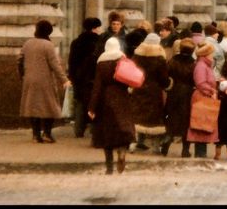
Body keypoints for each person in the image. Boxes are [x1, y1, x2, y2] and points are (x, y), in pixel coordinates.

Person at [88, 36, 135, 174]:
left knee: (107, 133)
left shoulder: (101, 63)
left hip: (106, 98)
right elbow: (129, 79)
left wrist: (92, 107)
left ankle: (109, 167)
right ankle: (122, 151)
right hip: (122, 96)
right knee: (123, 128)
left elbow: (97, 86)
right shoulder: (122, 59)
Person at [19, 19, 71, 143]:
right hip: (45, 81)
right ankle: (47, 133)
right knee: (50, 106)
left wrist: (23, 76)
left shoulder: (28, 43)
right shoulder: (48, 45)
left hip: (29, 80)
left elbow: (20, 61)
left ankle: (36, 135)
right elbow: (55, 65)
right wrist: (64, 80)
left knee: (33, 106)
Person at [130, 33, 173, 155]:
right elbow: (164, 78)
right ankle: (155, 147)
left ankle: (133, 143)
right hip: (154, 92)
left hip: (138, 88)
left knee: (137, 116)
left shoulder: (137, 55)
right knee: (154, 120)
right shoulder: (159, 58)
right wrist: (169, 84)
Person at [67, 16, 102, 138]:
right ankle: (93, 129)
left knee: (80, 102)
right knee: (95, 102)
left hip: (79, 77)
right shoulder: (99, 42)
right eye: (98, 27)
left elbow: (71, 61)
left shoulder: (76, 42)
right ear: (94, 28)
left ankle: (79, 130)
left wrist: (71, 76)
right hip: (94, 76)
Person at [165, 38, 196, 157]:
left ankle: (168, 139)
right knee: (186, 121)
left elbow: (166, 74)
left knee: (171, 118)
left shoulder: (172, 61)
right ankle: (185, 149)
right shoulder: (193, 64)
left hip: (173, 92)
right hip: (188, 94)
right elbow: (195, 79)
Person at [187, 42, 219, 158]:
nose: (213, 55)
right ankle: (200, 153)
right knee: (201, 125)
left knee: (205, 124)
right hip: (202, 97)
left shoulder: (204, 65)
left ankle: (201, 152)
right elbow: (200, 83)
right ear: (206, 54)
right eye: (211, 53)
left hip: (204, 96)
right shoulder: (201, 66)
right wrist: (212, 91)